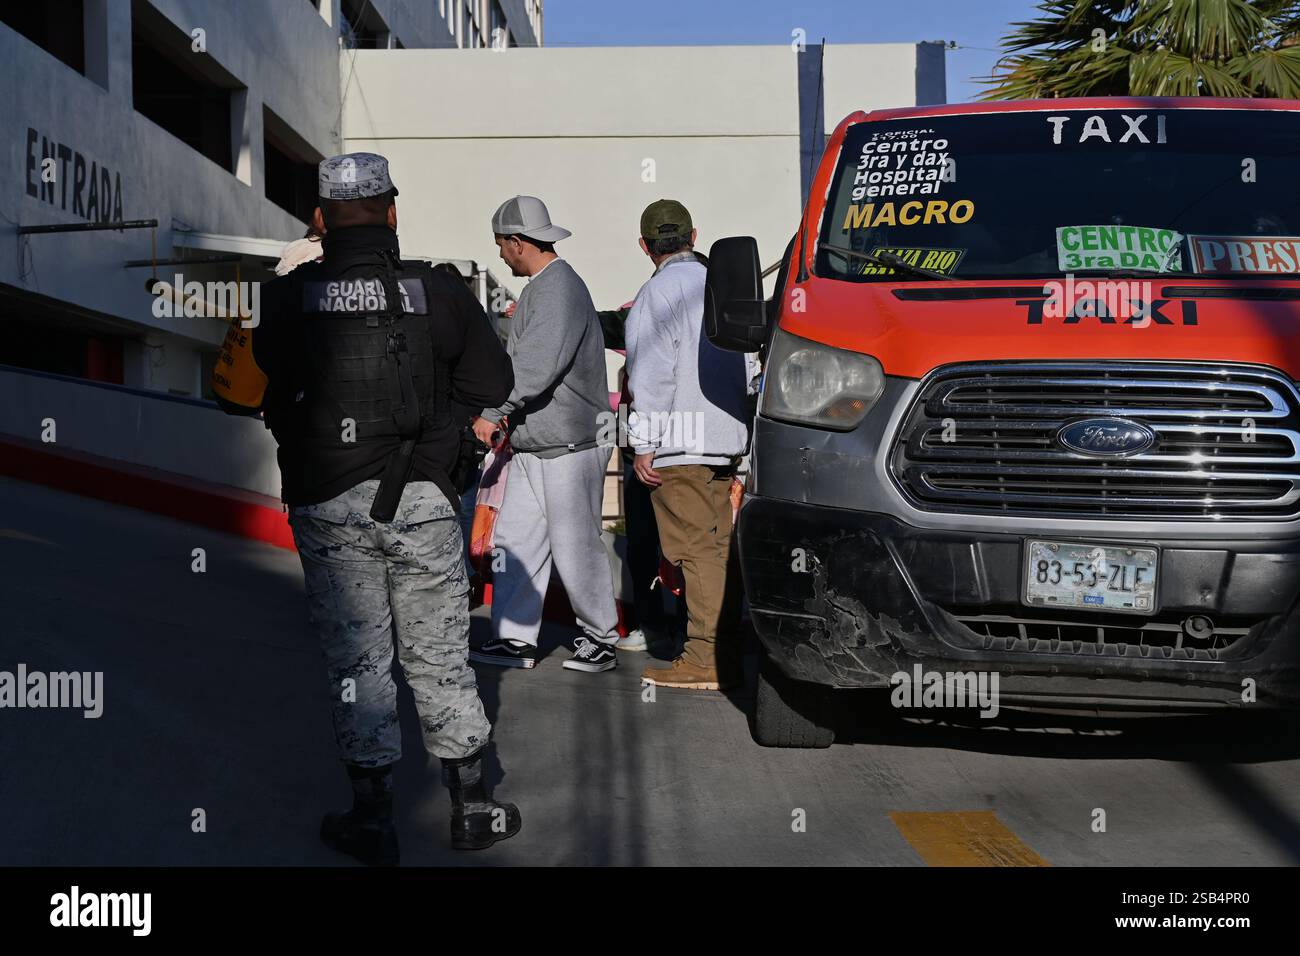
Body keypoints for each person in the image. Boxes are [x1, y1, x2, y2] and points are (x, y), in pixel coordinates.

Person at [212, 152, 521, 864]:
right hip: (421, 500)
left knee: (357, 662)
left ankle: (372, 821)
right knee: (440, 654)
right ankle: (473, 808)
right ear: (391, 210)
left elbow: (252, 389)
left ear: (320, 218)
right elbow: (491, 380)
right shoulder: (439, 292)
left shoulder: (286, 298)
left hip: (325, 506)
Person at [468, 196, 621, 674]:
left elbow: (534, 367)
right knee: (516, 541)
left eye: (501, 246)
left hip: (570, 445)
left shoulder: (557, 289)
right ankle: (516, 641)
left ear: (518, 242)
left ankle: (601, 638)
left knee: (575, 545)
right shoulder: (547, 287)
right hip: (542, 443)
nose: (499, 256)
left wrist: (494, 411)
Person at [626, 199, 750, 690]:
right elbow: (750, 366)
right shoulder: (721, 288)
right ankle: (725, 653)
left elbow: (651, 378)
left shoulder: (656, 295)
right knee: (717, 551)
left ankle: (705, 659)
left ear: (644, 246)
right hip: (723, 442)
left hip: (680, 447)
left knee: (695, 554)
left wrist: (642, 443)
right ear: (694, 236)